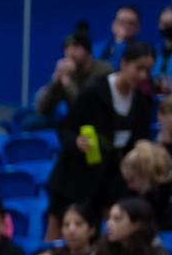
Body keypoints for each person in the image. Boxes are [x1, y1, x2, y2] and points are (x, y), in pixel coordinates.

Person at [52, 40, 156, 229]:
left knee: (112, 233)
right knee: (58, 234)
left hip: (110, 181)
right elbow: (65, 128)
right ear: (124, 63)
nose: (143, 75)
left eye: (148, 70)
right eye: (138, 68)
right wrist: (76, 141)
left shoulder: (141, 102)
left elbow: (139, 141)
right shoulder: (93, 91)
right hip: (74, 179)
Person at [33, 25, 111, 122]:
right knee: (29, 121)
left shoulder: (104, 71)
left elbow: (87, 110)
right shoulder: (67, 71)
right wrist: (56, 80)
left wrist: (67, 82)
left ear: (88, 51)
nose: (70, 52)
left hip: (100, 123)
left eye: (75, 46)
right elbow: (43, 110)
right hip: (76, 124)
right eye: (66, 47)